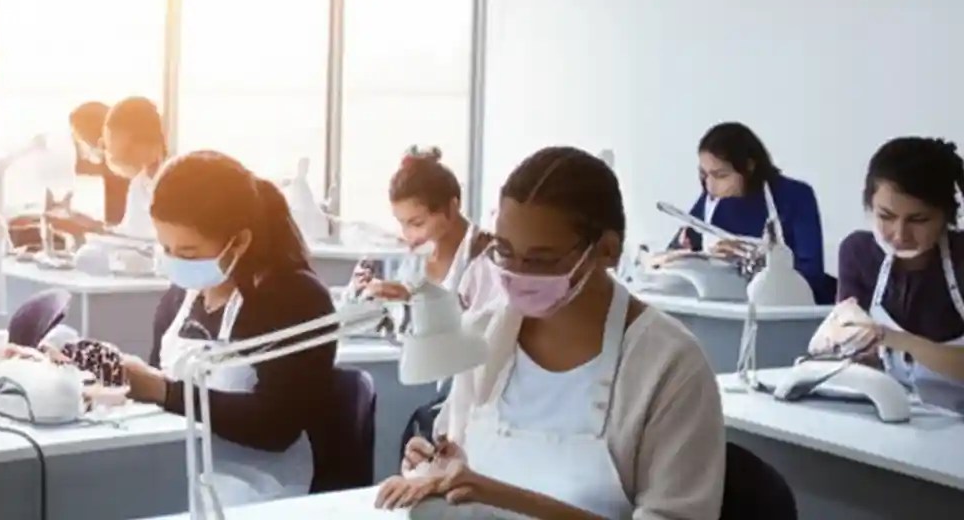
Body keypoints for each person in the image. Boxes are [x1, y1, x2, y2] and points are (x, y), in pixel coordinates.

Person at [378, 147, 725, 519]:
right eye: (504, 252)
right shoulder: (484, 335)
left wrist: (503, 496)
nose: (516, 272)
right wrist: (432, 468)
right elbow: (456, 456)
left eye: (541, 260)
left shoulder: (668, 366)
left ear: (607, 250)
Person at [116, 150, 335, 506]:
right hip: (179, 467)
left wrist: (163, 392)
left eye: (188, 252)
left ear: (240, 241)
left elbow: (277, 425)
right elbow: (160, 384)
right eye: (166, 248)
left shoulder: (294, 298)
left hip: (259, 486)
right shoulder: (181, 298)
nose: (176, 262)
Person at [836, 137, 964, 398]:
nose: (899, 234)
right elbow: (851, 346)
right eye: (886, 216)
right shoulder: (857, 253)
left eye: (918, 219)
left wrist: (894, 339)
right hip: (895, 409)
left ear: (946, 216)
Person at [660, 122, 831, 303]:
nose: (709, 185)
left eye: (721, 175)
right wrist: (687, 253)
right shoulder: (710, 201)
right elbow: (673, 253)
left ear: (749, 167)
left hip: (784, 309)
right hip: (727, 307)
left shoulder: (795, 196)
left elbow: (812, 275)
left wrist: (751, 261)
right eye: (704, 174)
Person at [351, 146, 498, 309]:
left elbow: (482, 329)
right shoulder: (416, 260)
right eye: (402, 223)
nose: (408, 235)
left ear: (452, 207)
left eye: (417, 223)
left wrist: (412, 300)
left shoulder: (487, 259)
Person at [99, 96, 168, 238]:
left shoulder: (174, 184)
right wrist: (92, 228)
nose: (107, 149)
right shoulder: (139, 183)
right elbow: (129, 235)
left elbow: (156, 244)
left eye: (112, 139)